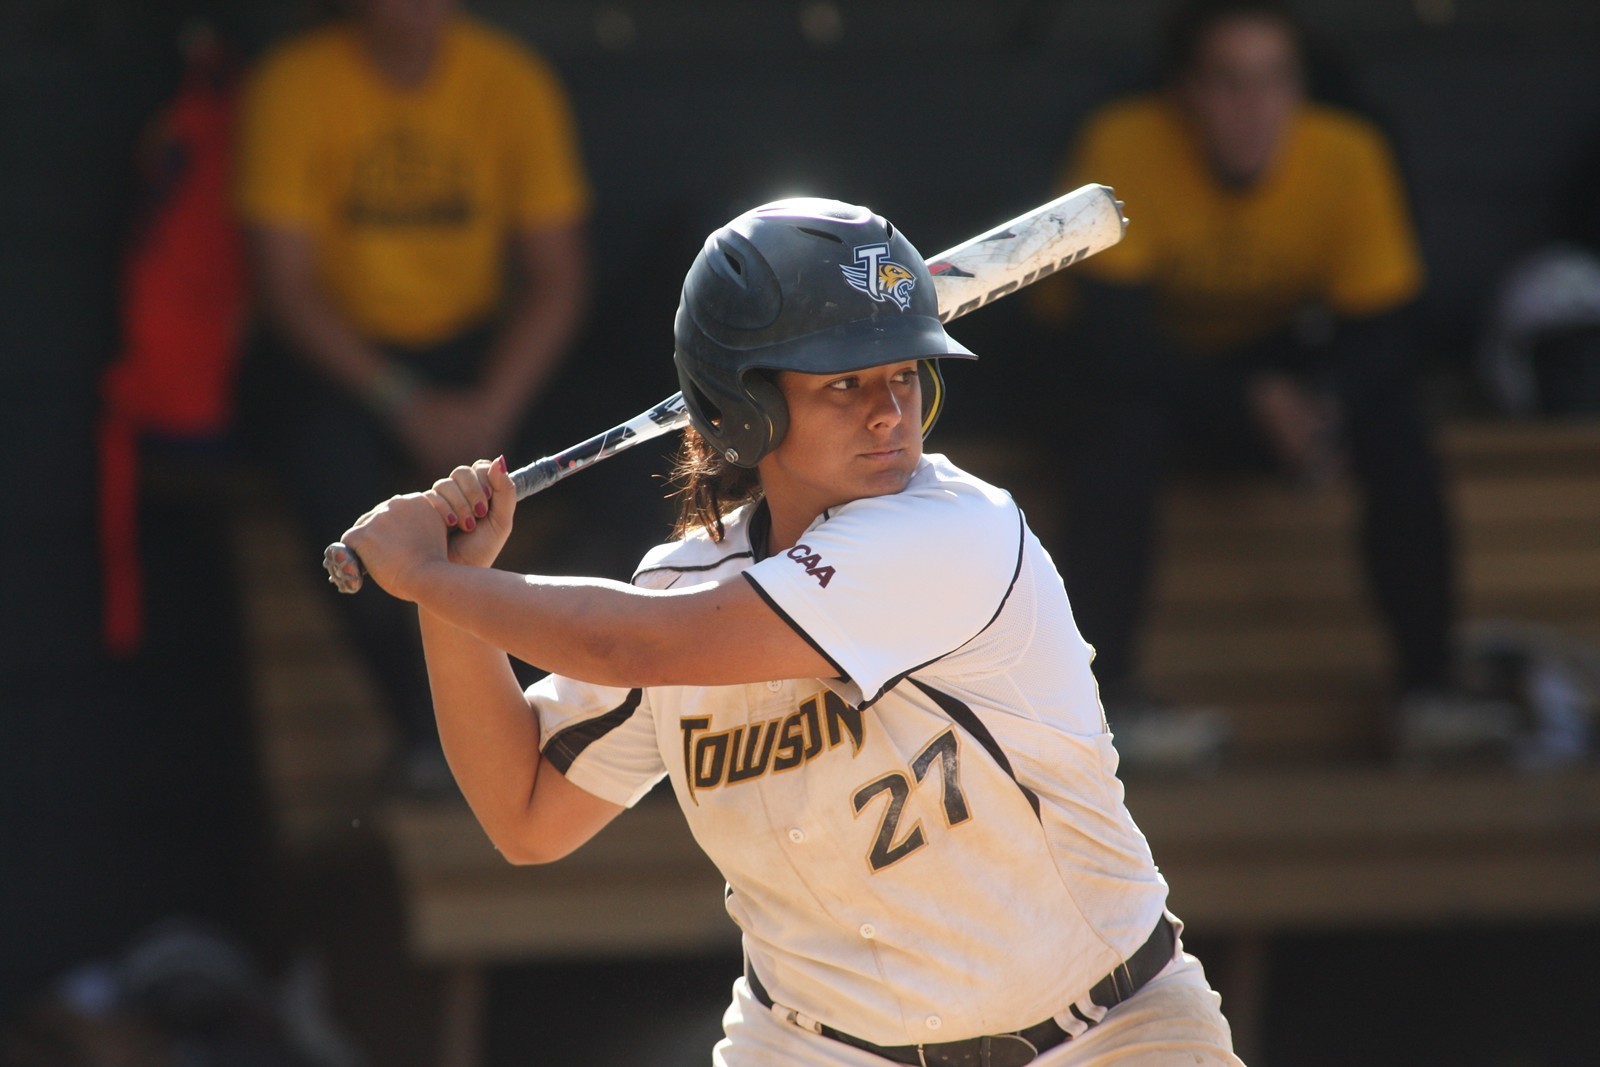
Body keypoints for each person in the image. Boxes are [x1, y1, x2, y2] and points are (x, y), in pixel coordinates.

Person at [333, 199, 1244, 1066]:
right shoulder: (685, 585)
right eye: (845, 382)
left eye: (903, 373)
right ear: (744, 408)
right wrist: (452, 594)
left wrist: (429, 576)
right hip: (819, 1041)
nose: (889, 412)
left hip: (1102, 1030)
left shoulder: (954, 530)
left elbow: (636, 645)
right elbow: (526, 815)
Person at [1037, 0, 1505, 769]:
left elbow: (1390, 327)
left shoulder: (1346, 152)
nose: (1253, 107)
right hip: (1148, 374)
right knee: (1116, 431)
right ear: (1187, 92)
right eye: (1228, 82)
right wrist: (1249, 399)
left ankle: (1430, 694)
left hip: (1274, 374)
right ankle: (1107, 703)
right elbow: (1111, 333)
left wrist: (1324, 403)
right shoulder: (1125, 140)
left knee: (1396, 424)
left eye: (1274, 81)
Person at [235, 0, 591, 792]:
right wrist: (402, 401)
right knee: (321, 474)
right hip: (347, 365)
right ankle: (427, 733)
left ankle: (564, 695)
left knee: (627, 452)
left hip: (478, 358)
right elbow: (284, 289)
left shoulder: (512, 80)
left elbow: (559, 279)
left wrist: (495, 403)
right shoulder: (294, 84)